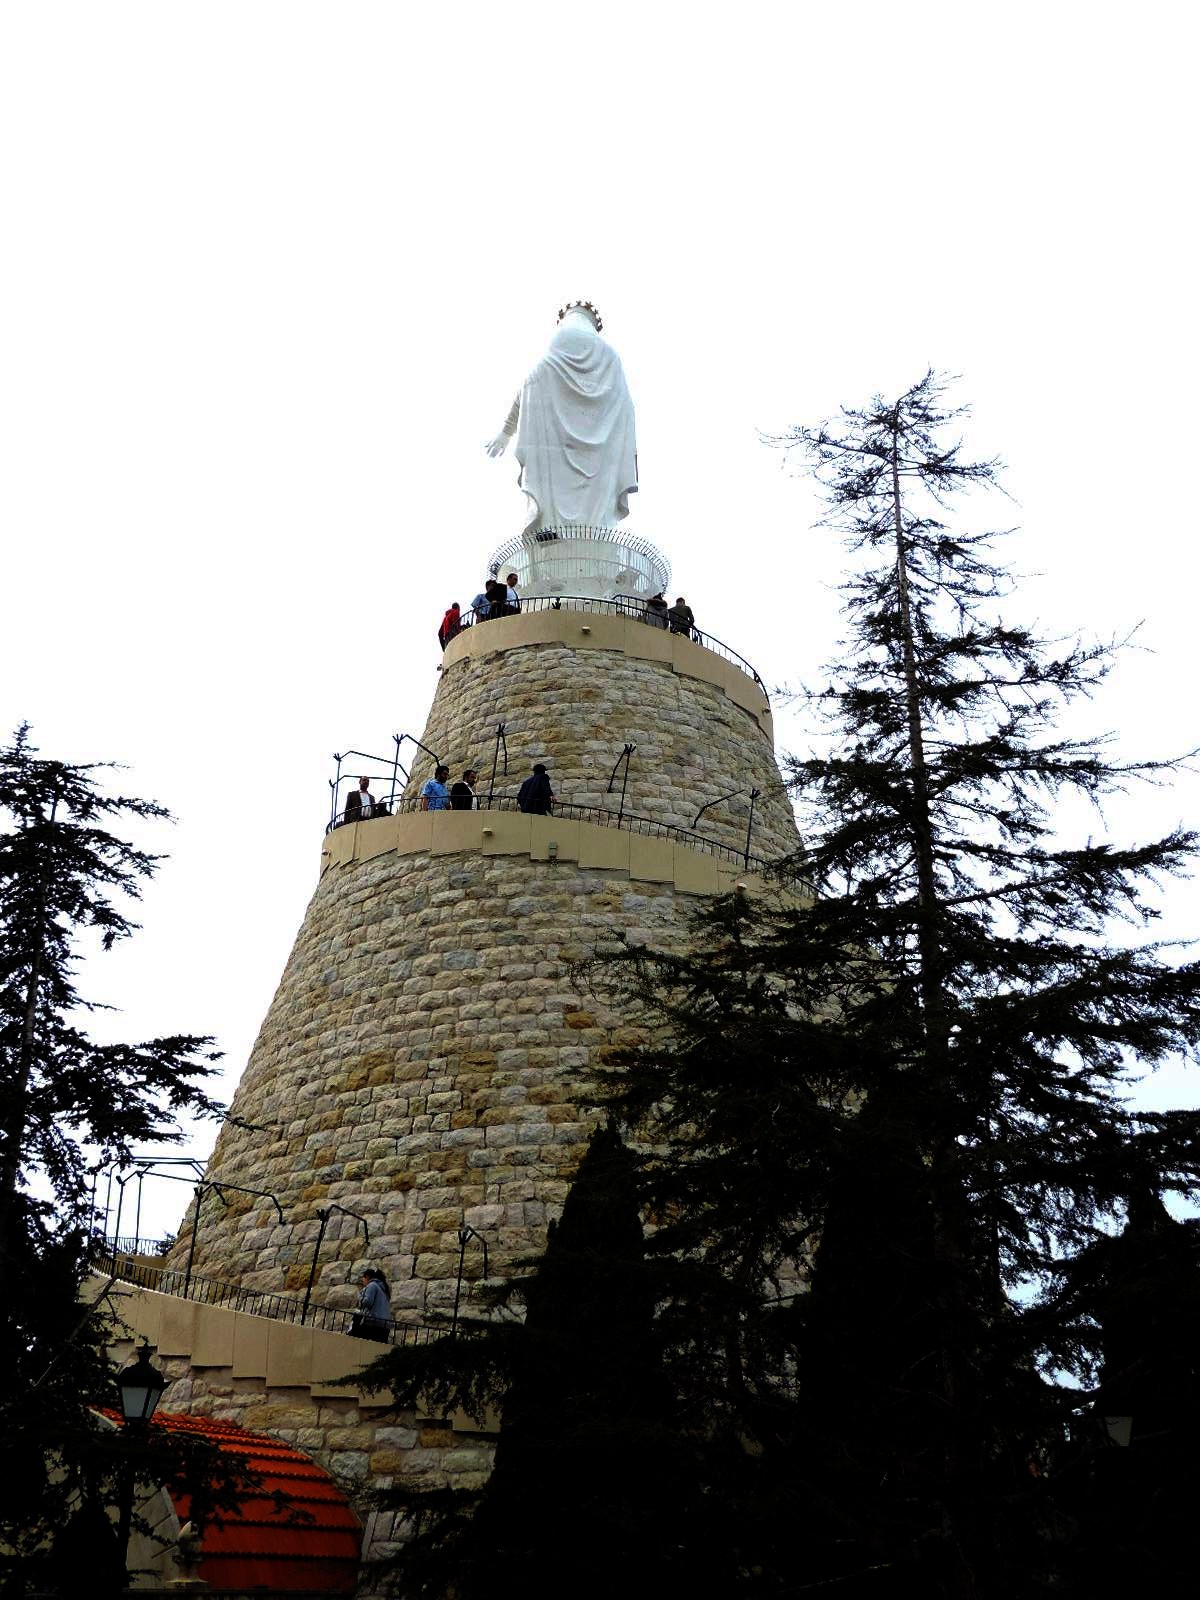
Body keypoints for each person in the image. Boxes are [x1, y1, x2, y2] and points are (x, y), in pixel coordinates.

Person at [485, 302, 638, 535]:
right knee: (587, 528)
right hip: (592, 455)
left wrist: (507, 432)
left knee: (576, 530)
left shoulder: (570, 353)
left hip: (574, 456)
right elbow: (627, 404)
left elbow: (531, 383)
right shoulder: (610, 358)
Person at [350, 1268, 391, 1342]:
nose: (363, 1282)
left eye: (363, 1279)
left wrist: (360, 1296)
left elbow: (368, 1302)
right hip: (384, 1325)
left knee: (354, 1337)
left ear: (367, 1277)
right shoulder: (384, 1289)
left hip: (373, 1322)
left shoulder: (372, 1285)